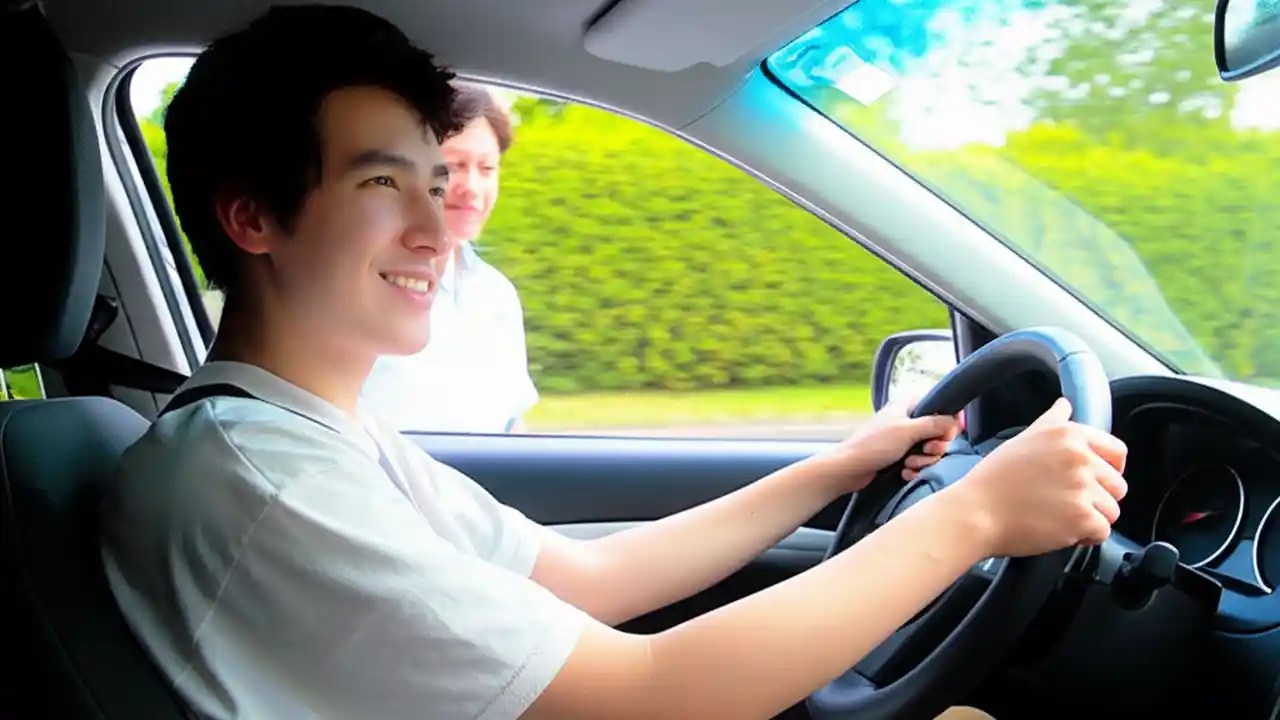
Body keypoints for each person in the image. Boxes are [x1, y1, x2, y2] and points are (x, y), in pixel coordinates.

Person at [97, 5, 1128, 720]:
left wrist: (829, 471)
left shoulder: (304, 437)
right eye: (382, 184)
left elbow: (588, 580)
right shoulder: (264, 481)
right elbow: (649, 699)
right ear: (252, 217)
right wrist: (974, 515)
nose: (437, 227)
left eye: (436, 180)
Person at [362, 83, 537, 434]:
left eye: (488, 168)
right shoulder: (369, 281)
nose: (472, 187)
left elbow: (512, 425)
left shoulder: (497, 294)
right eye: (455, 166)